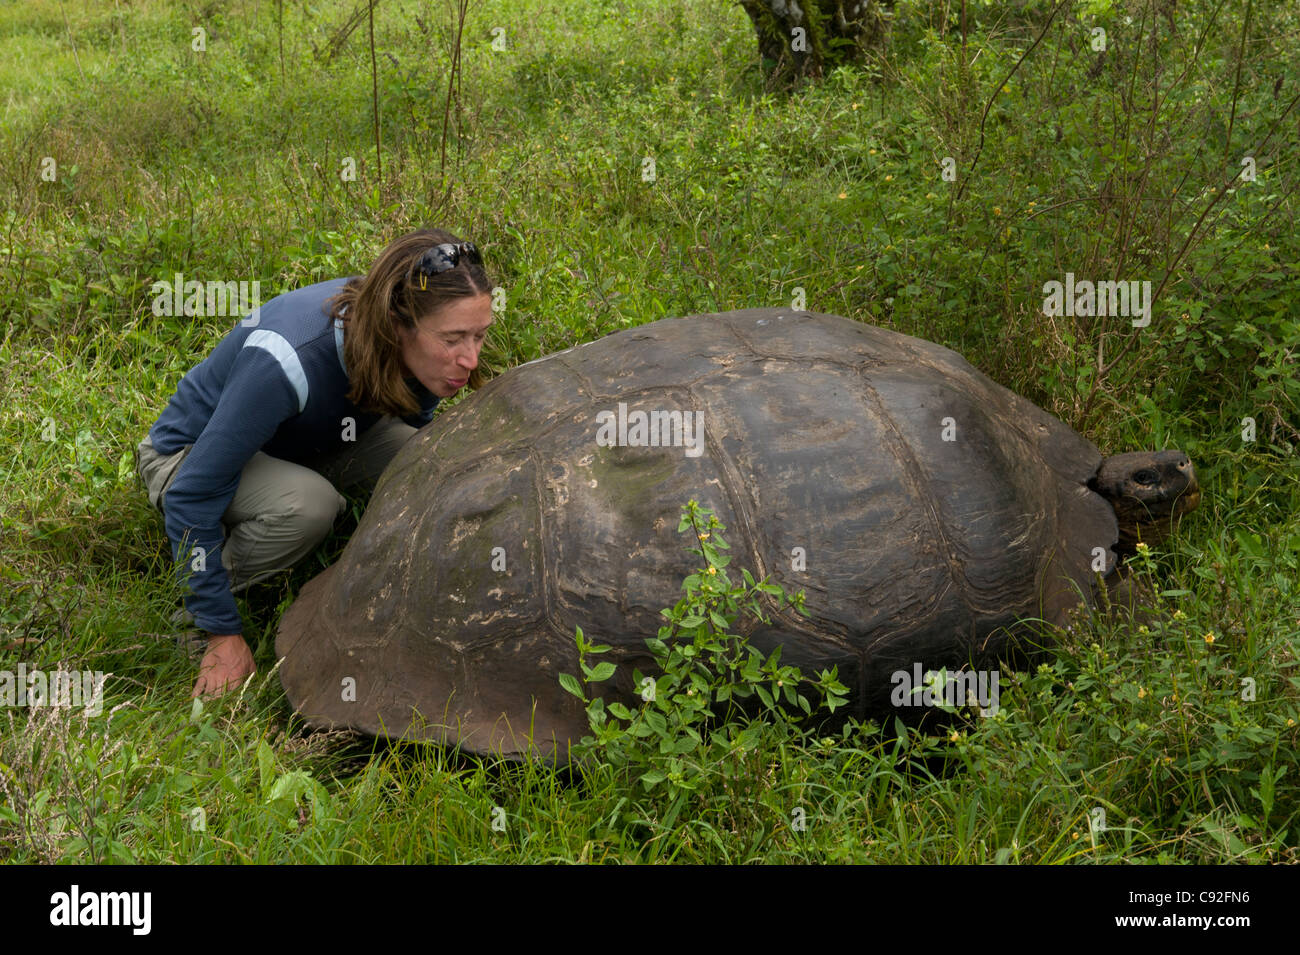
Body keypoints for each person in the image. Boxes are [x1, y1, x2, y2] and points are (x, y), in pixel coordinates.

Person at [135, 228, 494, 698]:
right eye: (453, 339)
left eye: (479, 336)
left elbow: (415, 420)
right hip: (188, 458)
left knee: (430, 462)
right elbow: (192, 493)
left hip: (309, 441)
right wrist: (222, 633)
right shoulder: (284, 359)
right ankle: (196, 609)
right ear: (396, 323)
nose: (469, 359)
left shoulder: (414, 337)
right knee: (310, 507)